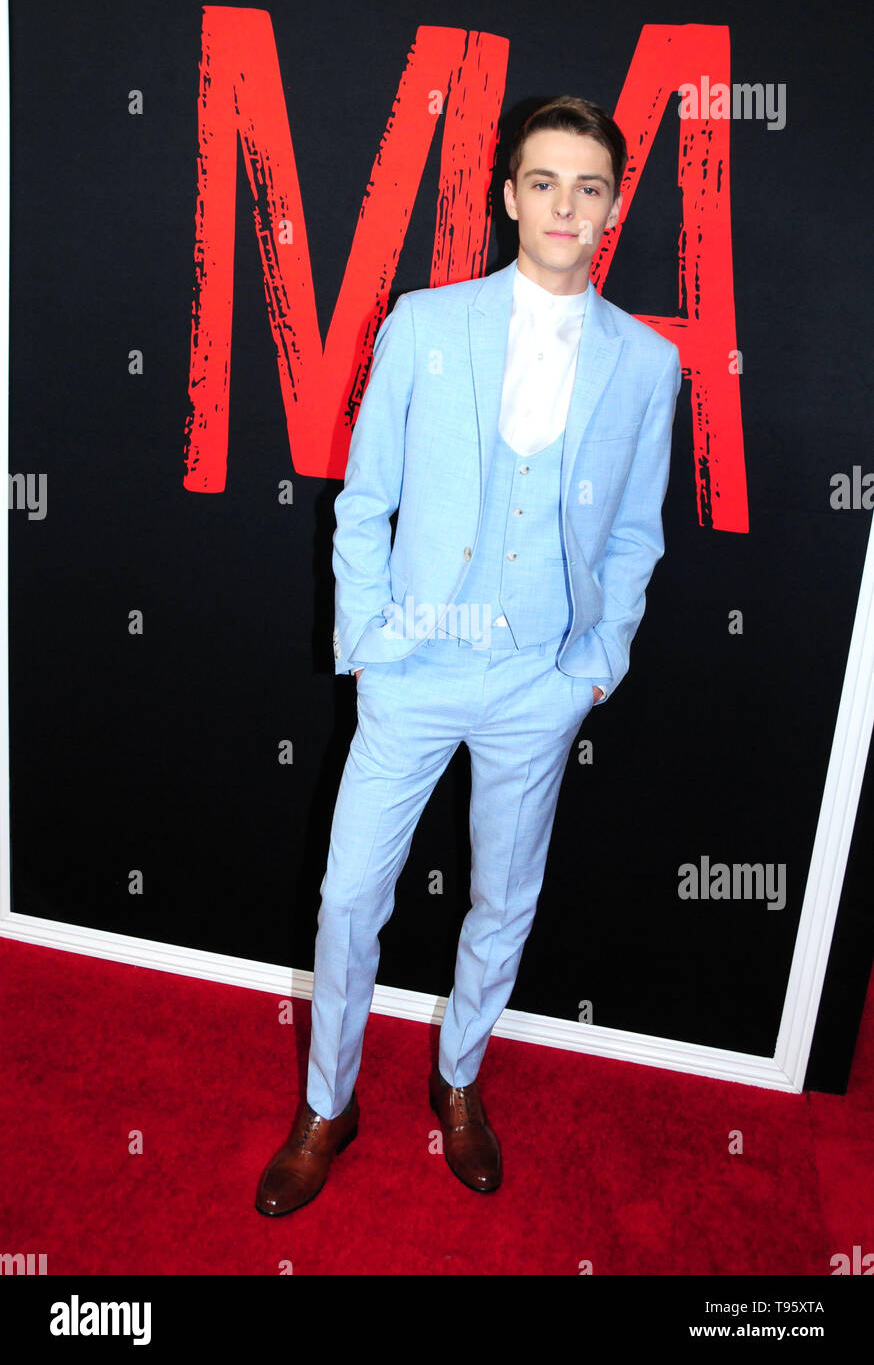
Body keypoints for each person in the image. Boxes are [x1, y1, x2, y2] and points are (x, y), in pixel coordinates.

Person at [255, 95, 682, 1214]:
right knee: (350, 896)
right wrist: (371, 644)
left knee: (503, 898)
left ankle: (457, 1082)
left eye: (587, 187)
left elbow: (637, 530)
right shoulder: (426, 322)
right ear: (509, 195)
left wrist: (593, 667)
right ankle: (326, 1103)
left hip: (538, 680)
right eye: (543, 181)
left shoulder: (646, 365)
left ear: (608, 208)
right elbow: (366, 500)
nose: (564, 205)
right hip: (413, 668)